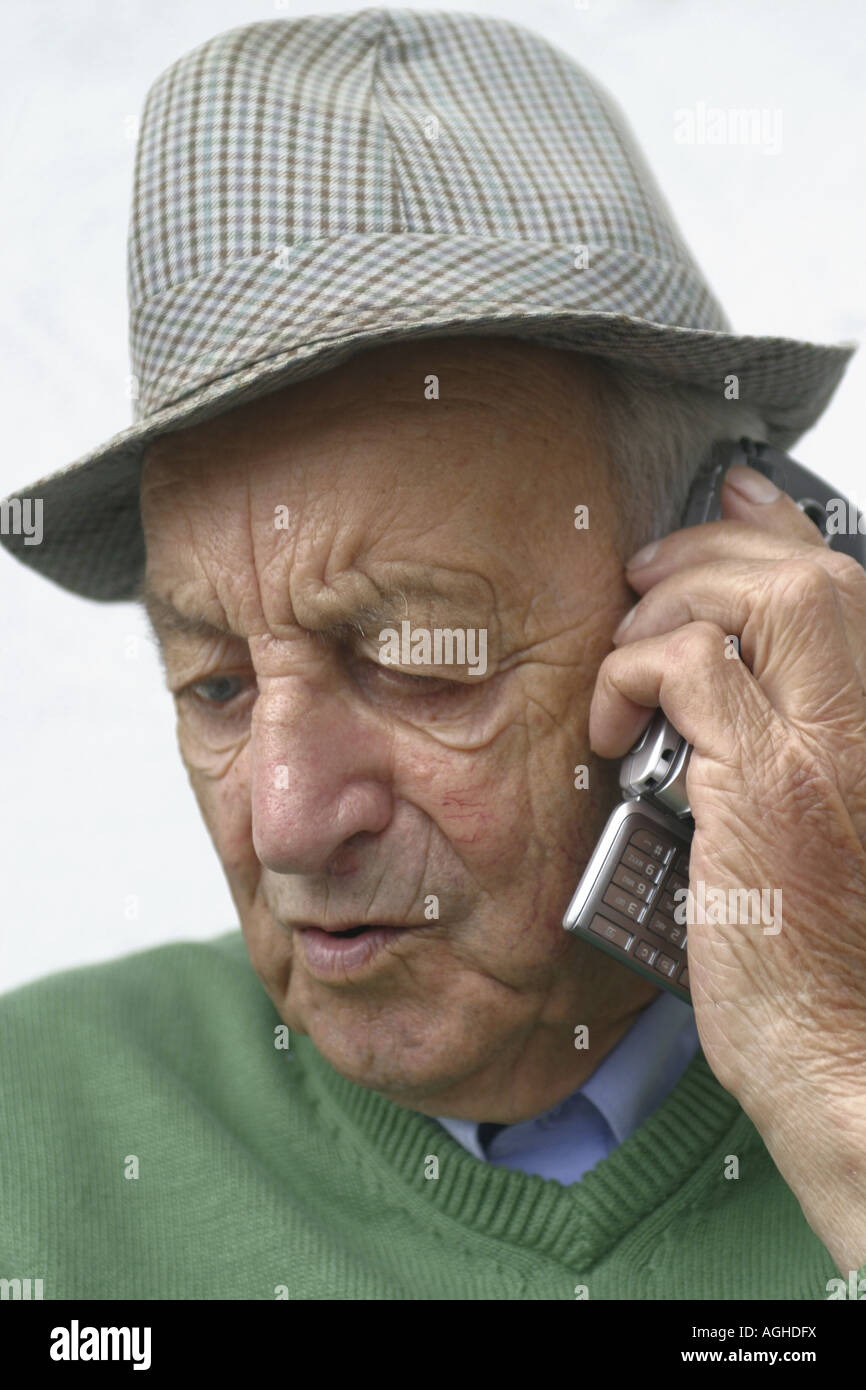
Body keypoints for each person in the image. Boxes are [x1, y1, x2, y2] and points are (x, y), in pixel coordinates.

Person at [2, 10, 864, 1301]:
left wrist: (834, 1083)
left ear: (721, 611)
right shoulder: (29, 1125)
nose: (287, 823)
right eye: (217, 686)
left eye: (417, 659)